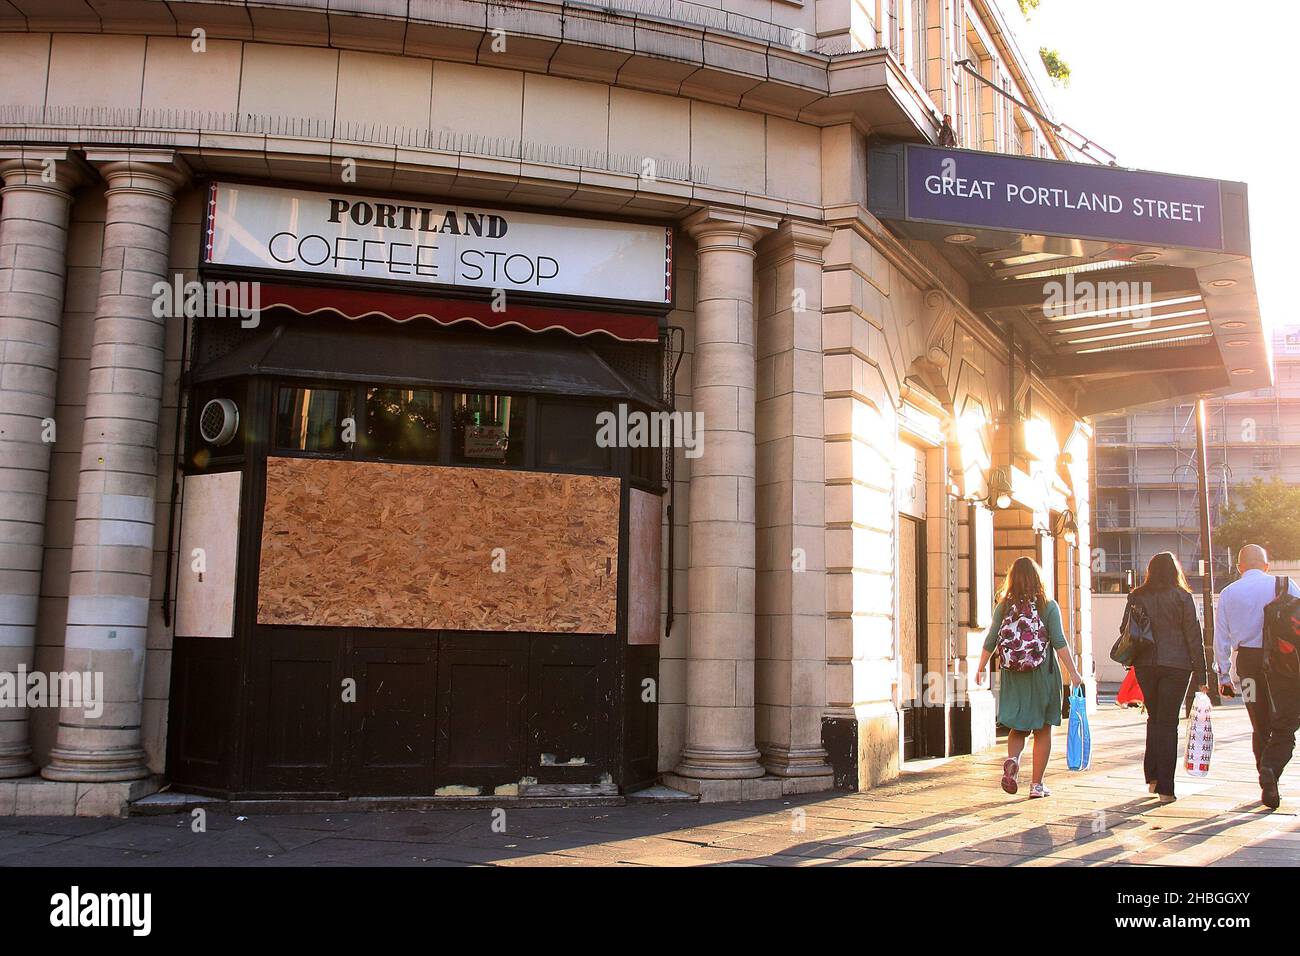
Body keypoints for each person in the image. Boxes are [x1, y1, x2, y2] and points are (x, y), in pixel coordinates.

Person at [976, 556, 1084, 798]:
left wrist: (981, 667)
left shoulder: (1003, 606)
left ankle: (1012, 760)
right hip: (1042, 674)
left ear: (1011, 579)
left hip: (1014, 676)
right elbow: (1059, 642)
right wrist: (1074, 673)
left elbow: (991, 639)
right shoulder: (1048, 605)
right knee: (1043, 729)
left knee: (1018, 727)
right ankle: (1036, 786)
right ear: (1038, 577)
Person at [1215, 544, 1300, 809]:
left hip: (1248, 664)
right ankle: (1271, 769)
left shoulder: (1228, 594)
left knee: (1259, 723)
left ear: (1239, 567)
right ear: (1266, 565)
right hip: (1281, 663)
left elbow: (1221, 637)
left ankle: (1266, 776)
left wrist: (1223, 676)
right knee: (1286, 723)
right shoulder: (1285, 584)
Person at [1126, 552, 1210, 803]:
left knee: (1155, 718)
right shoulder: (1183, 597)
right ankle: (1166, 787)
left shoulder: (1137, 596)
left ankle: (1152, 777)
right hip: (1177, 666)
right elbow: (1194, 636)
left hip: (1146, 664)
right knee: (1168, 722)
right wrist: (1202, 674)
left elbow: (1126, 629)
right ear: (1175, 571)